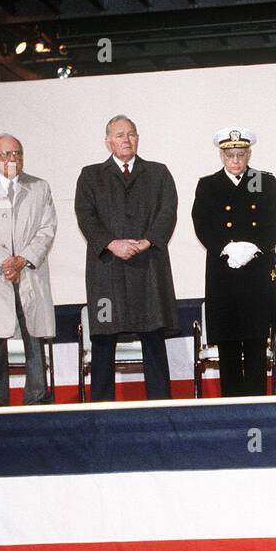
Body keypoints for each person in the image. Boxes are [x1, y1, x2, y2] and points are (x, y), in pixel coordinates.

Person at [74, 114, 179, 402]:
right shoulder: (90, 175)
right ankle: (101, 408)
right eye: (119, 135)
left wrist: (147, 241)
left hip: (148, 268)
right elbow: (86, 216)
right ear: (108, 141)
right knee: (104, 340)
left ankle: (161, 406)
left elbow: (168, 211)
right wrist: (111, 243)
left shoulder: (158, 173)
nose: (126, 139)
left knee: (153, 337)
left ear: (138, 139)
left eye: (131, 134)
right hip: (107, 269)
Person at [191, 127, 276, 397]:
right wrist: (226, 247)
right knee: (229, 343)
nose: (236, 161)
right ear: (221, 155)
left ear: (249, 154)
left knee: (256, 341)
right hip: (224, 274)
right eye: (230, 155)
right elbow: (202, 223)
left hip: (255, 272)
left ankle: (257, 402)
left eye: (241, 154)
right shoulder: (208, 185)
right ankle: (231, 404)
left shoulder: (264, 181)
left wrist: (254, 247)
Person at [0, 133, 56, 407]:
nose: (12, 159)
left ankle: (37, 399)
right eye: (5, 154)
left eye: (17, 153)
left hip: (29, 273)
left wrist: (23, 260)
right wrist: (5, 262)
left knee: (34, 334)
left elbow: (47, 229)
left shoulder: (40, 188)